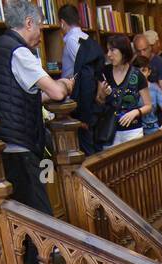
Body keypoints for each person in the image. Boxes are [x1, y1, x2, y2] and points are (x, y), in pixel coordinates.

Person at [0, 0, 76, 264]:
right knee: (37, 216)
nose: (40, 34)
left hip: (5, 144)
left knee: (28, 213)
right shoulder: (19, 51)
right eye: (40, 26)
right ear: (30, 23)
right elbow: (56, 92)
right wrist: (67, 84)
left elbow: (24, 96)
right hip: (18, 146)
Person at [58, 5, 107, 154]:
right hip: (91, 103)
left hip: (81, 105)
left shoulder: (73, 42)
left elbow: (85, 76)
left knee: (85, 153)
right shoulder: (88, 40)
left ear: (62, 23)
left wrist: (85, 116)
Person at [103, 33, 150, 146]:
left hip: (133, 130)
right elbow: (99, 101)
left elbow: (148, 106)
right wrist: (104, 94)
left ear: (123, 51)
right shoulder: (105, 72)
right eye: (108, 50)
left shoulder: (137, 75)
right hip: (110, 130)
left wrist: (135, 112)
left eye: (113, 50)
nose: (109, 54)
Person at [133, 30, 162, 111]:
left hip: (158, 108)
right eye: (139, 51)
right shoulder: (133, 63)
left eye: (144, 50)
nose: (142, 54)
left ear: (150, 48)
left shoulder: (160, 62)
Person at [134, 55, 162, 134]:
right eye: (138, 71)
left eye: (143, 70)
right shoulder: (131, 88)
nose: (141, 74)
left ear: (149, 72)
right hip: (136, 129)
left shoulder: (154, 88)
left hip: (153, 128)